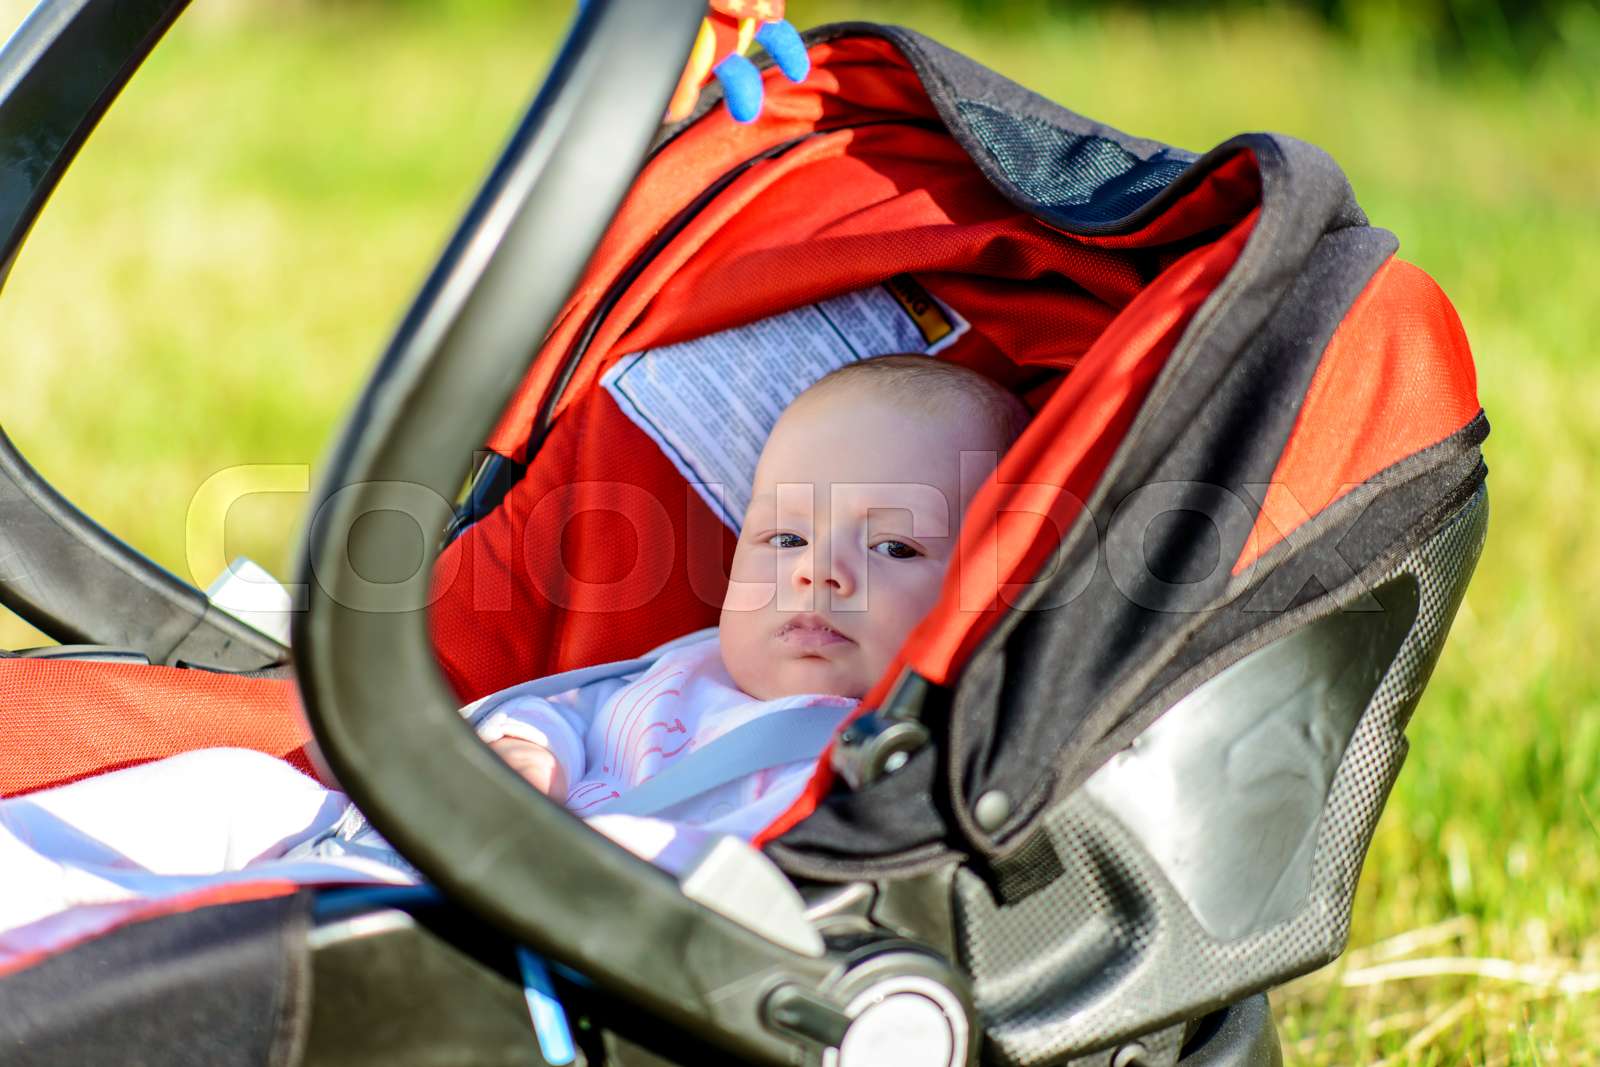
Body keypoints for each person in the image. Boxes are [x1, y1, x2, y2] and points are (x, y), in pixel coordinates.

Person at [0, 354, 1029, 950]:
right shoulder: (693, 666)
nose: (818, 574)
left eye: (891, 545)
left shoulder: (898, 756)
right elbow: (562, 706)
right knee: (230, 784)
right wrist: (522, 743)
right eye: (783, 538)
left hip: (525, 929)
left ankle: (83, 949)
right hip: (405, 828)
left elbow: (778, 892)